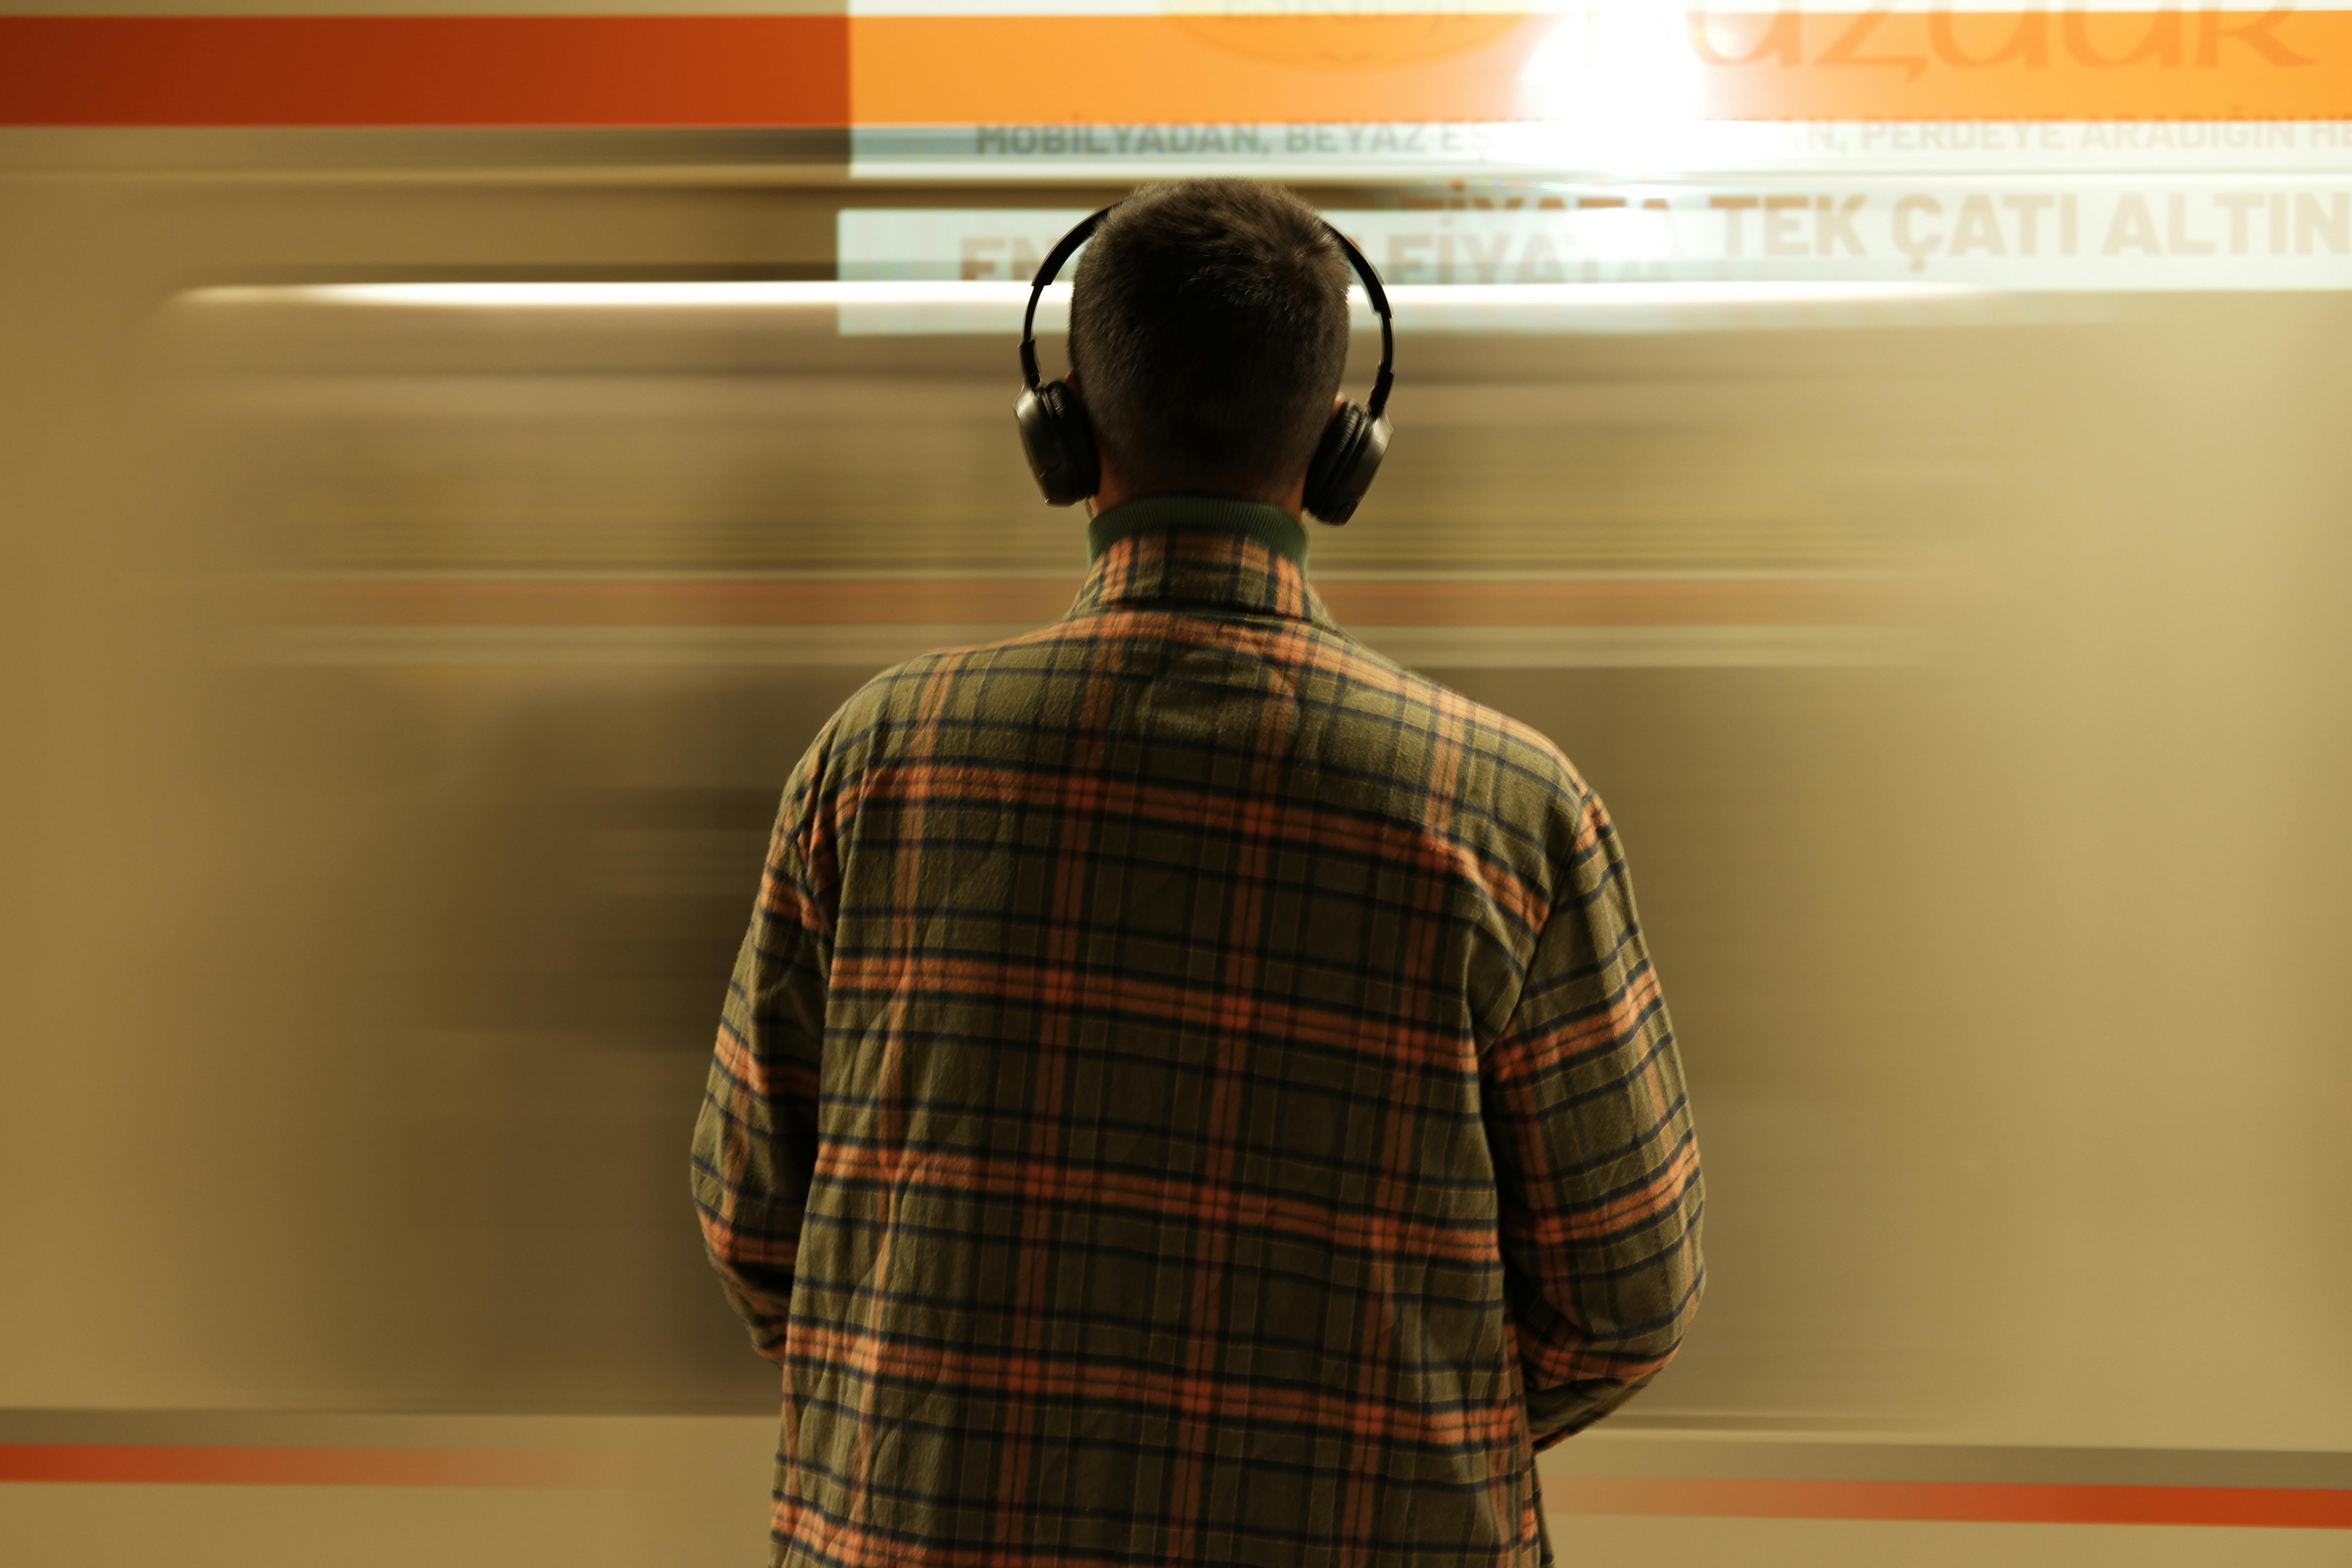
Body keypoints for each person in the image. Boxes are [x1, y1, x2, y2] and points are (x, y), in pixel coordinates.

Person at [692, 178, 1703, 1568]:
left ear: (1067, 432)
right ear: (1341, 446)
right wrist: (1373, 1416)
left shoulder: (878, 766)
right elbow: (1628, 1295)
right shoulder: (1512, 812)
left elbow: (755, 1226)